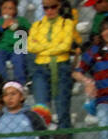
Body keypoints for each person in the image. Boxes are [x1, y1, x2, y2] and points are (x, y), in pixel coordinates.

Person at [28, 0, 77, 129]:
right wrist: (55, 46)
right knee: (41, 112)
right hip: (40, 69)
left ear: (59, 6)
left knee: (62, 111)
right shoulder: (36, 25)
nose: (49, 11)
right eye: (46, 8)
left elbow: (66, 46)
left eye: (53, 7)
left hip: (61, 67)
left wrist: (42, 48)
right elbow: (30, 47)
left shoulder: (67, 23)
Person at [0, 0, 31, 82]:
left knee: (19, 61)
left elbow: (30, 33)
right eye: (4, 8)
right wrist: (2, 27)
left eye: (10, 8)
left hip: (18, 47)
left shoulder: (21, 20)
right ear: (1, 9)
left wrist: (18, 27)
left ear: (15, 10)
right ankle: (5, 82)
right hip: (1, 48)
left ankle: (20, 83)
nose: (7, 11)